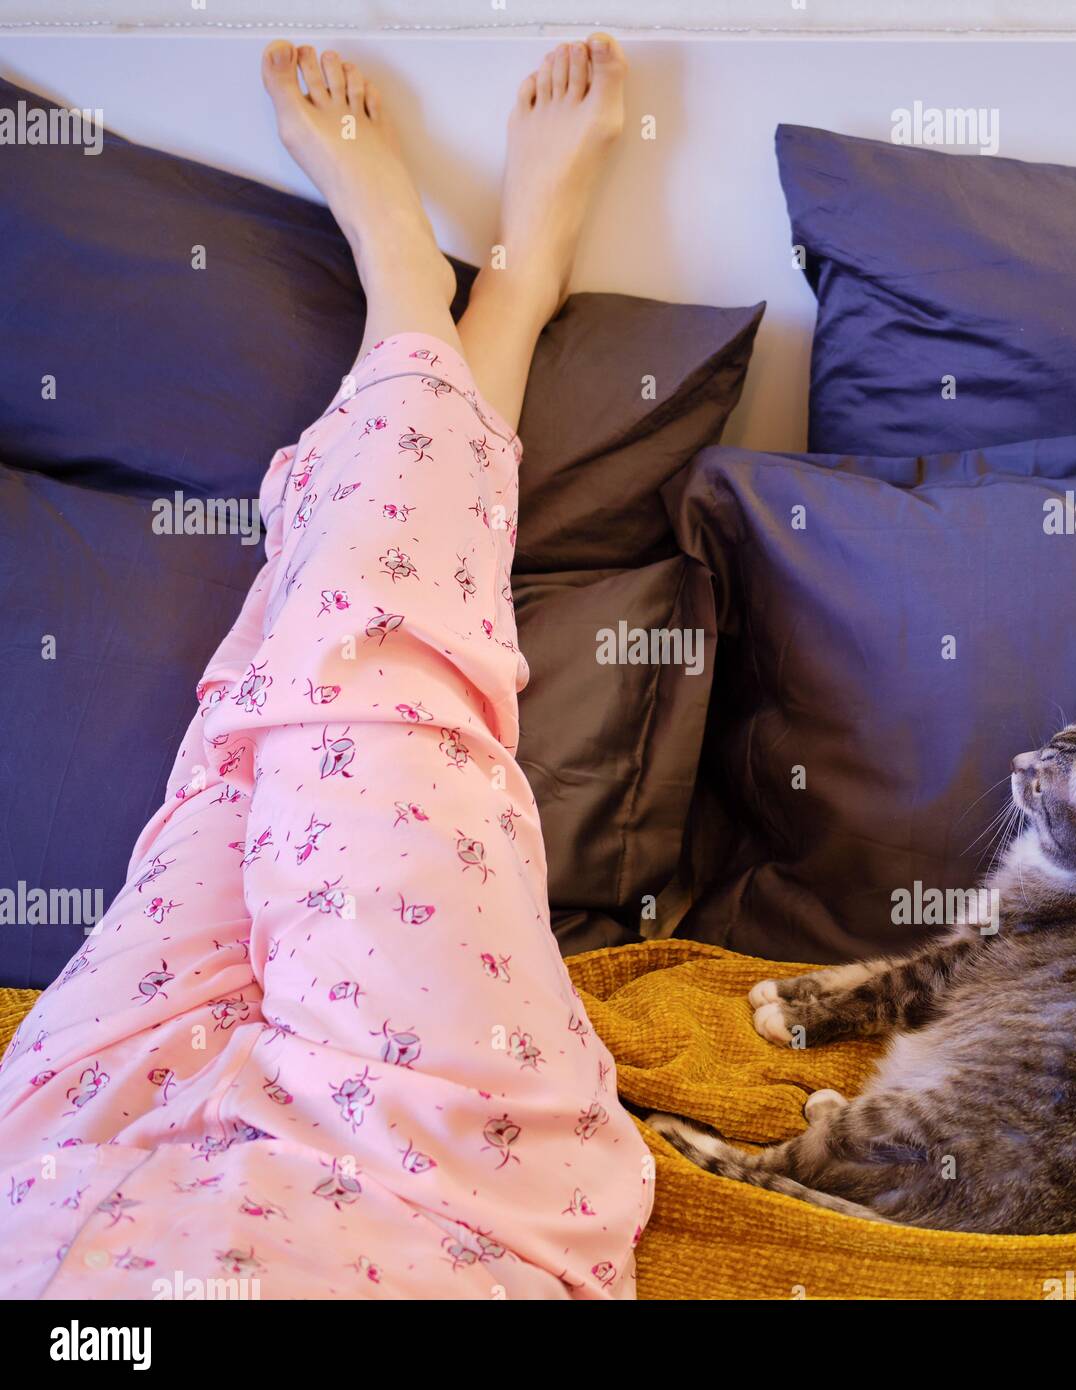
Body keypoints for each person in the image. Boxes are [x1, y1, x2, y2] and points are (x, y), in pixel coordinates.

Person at [0, 34, 653, 1300]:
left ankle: (448, 306)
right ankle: (446, 294)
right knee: (359, 678)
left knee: (247, 737)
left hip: (67, 1179)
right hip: (433, 1190)